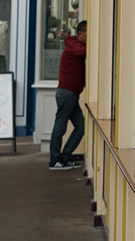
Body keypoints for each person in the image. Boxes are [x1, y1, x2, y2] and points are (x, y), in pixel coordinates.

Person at [49, 20, 87, 170]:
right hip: (67, 93)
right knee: (60, 126)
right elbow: (80, 51)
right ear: (80, 34)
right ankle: (54, 160)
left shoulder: (73, 44)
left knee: (80, 126)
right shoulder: (74, 46)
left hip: (70, 93)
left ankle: (65, 157)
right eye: (88, 35)